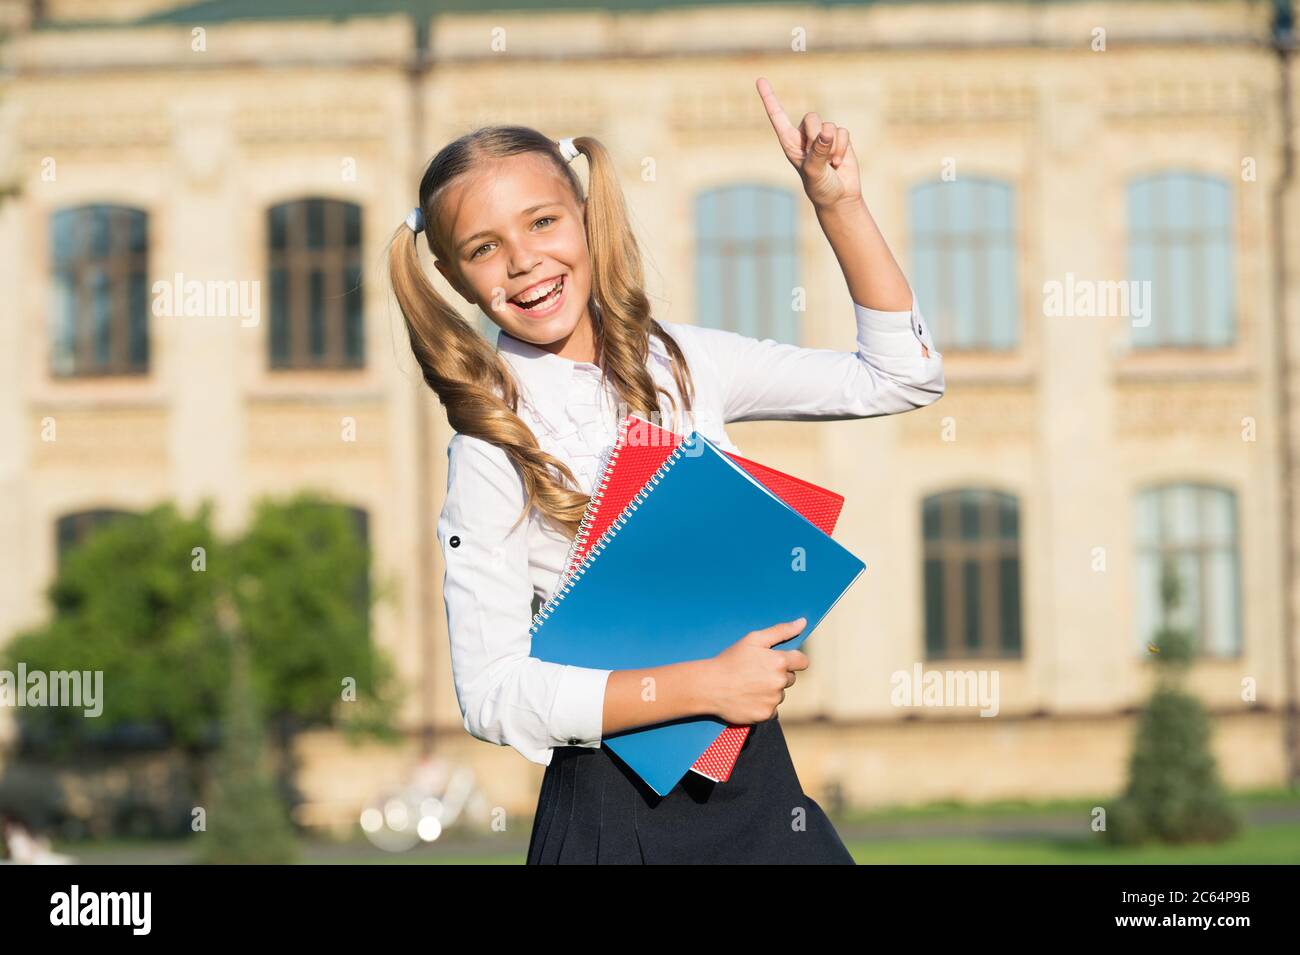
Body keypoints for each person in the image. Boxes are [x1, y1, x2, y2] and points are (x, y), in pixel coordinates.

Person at [386, 77, 944, 863]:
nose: (523, 263)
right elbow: (491, 694)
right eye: (484, 248)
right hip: (615, 812)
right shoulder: (490, 444)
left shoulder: (681, 362)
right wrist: (703, 686)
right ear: (452, 275)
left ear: (585, 215)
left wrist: (837, 205)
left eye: (543, 221)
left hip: (756, 781)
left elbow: (901, 376)